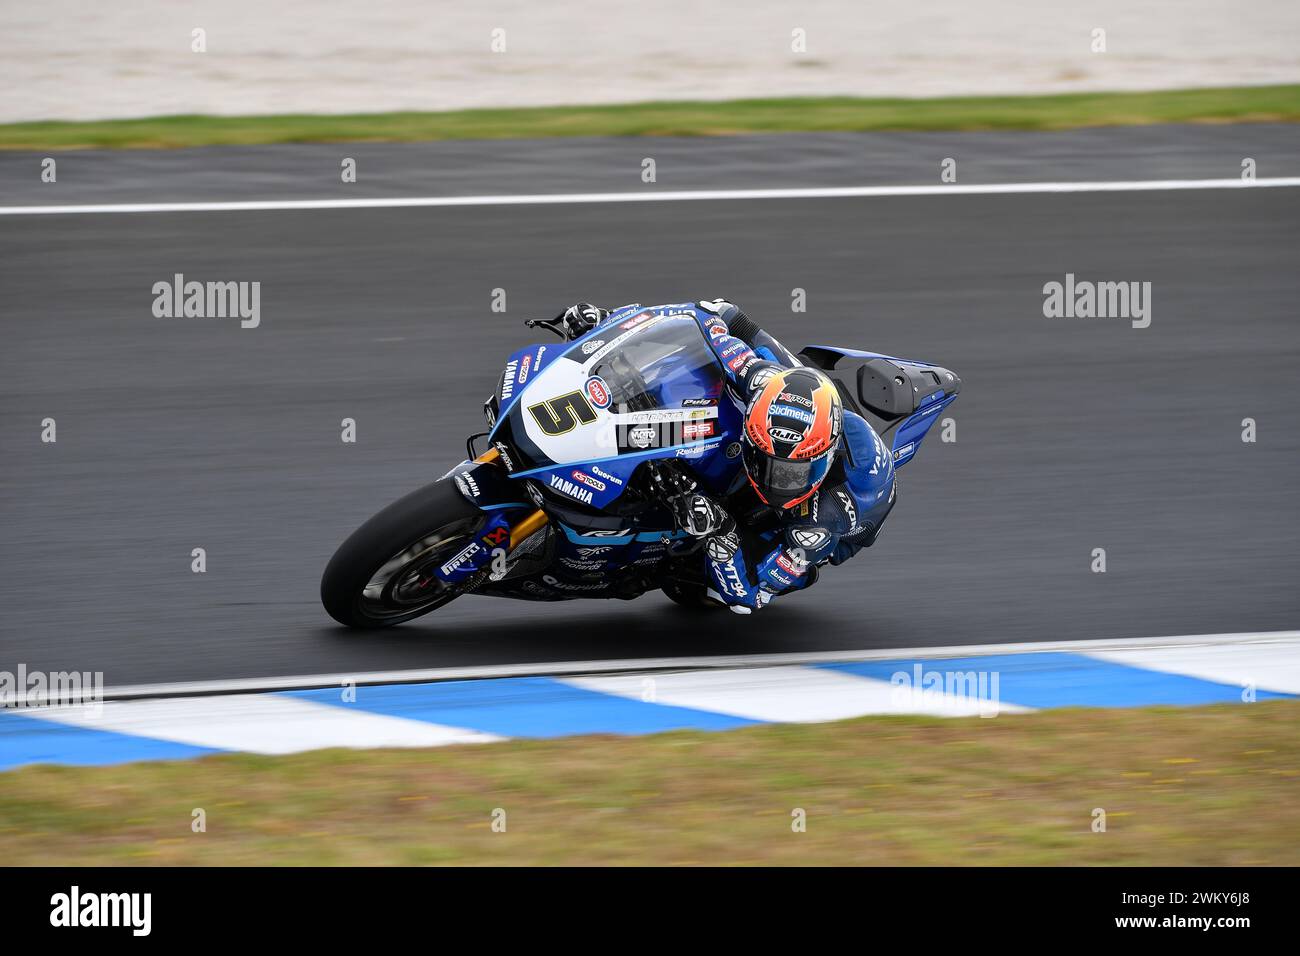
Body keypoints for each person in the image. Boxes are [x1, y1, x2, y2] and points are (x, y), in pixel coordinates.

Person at [554, 299, 897, 613]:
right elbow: (706, 313)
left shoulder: (821, 523)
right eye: (764, 462)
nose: (772, 479)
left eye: (788, 474)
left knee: (707, 584)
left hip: (816, 527)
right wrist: (610, 325)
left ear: (818, 463)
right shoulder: (758, 378)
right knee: (714, 346)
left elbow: (748, 595)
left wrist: (720, 529)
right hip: (801, 397)